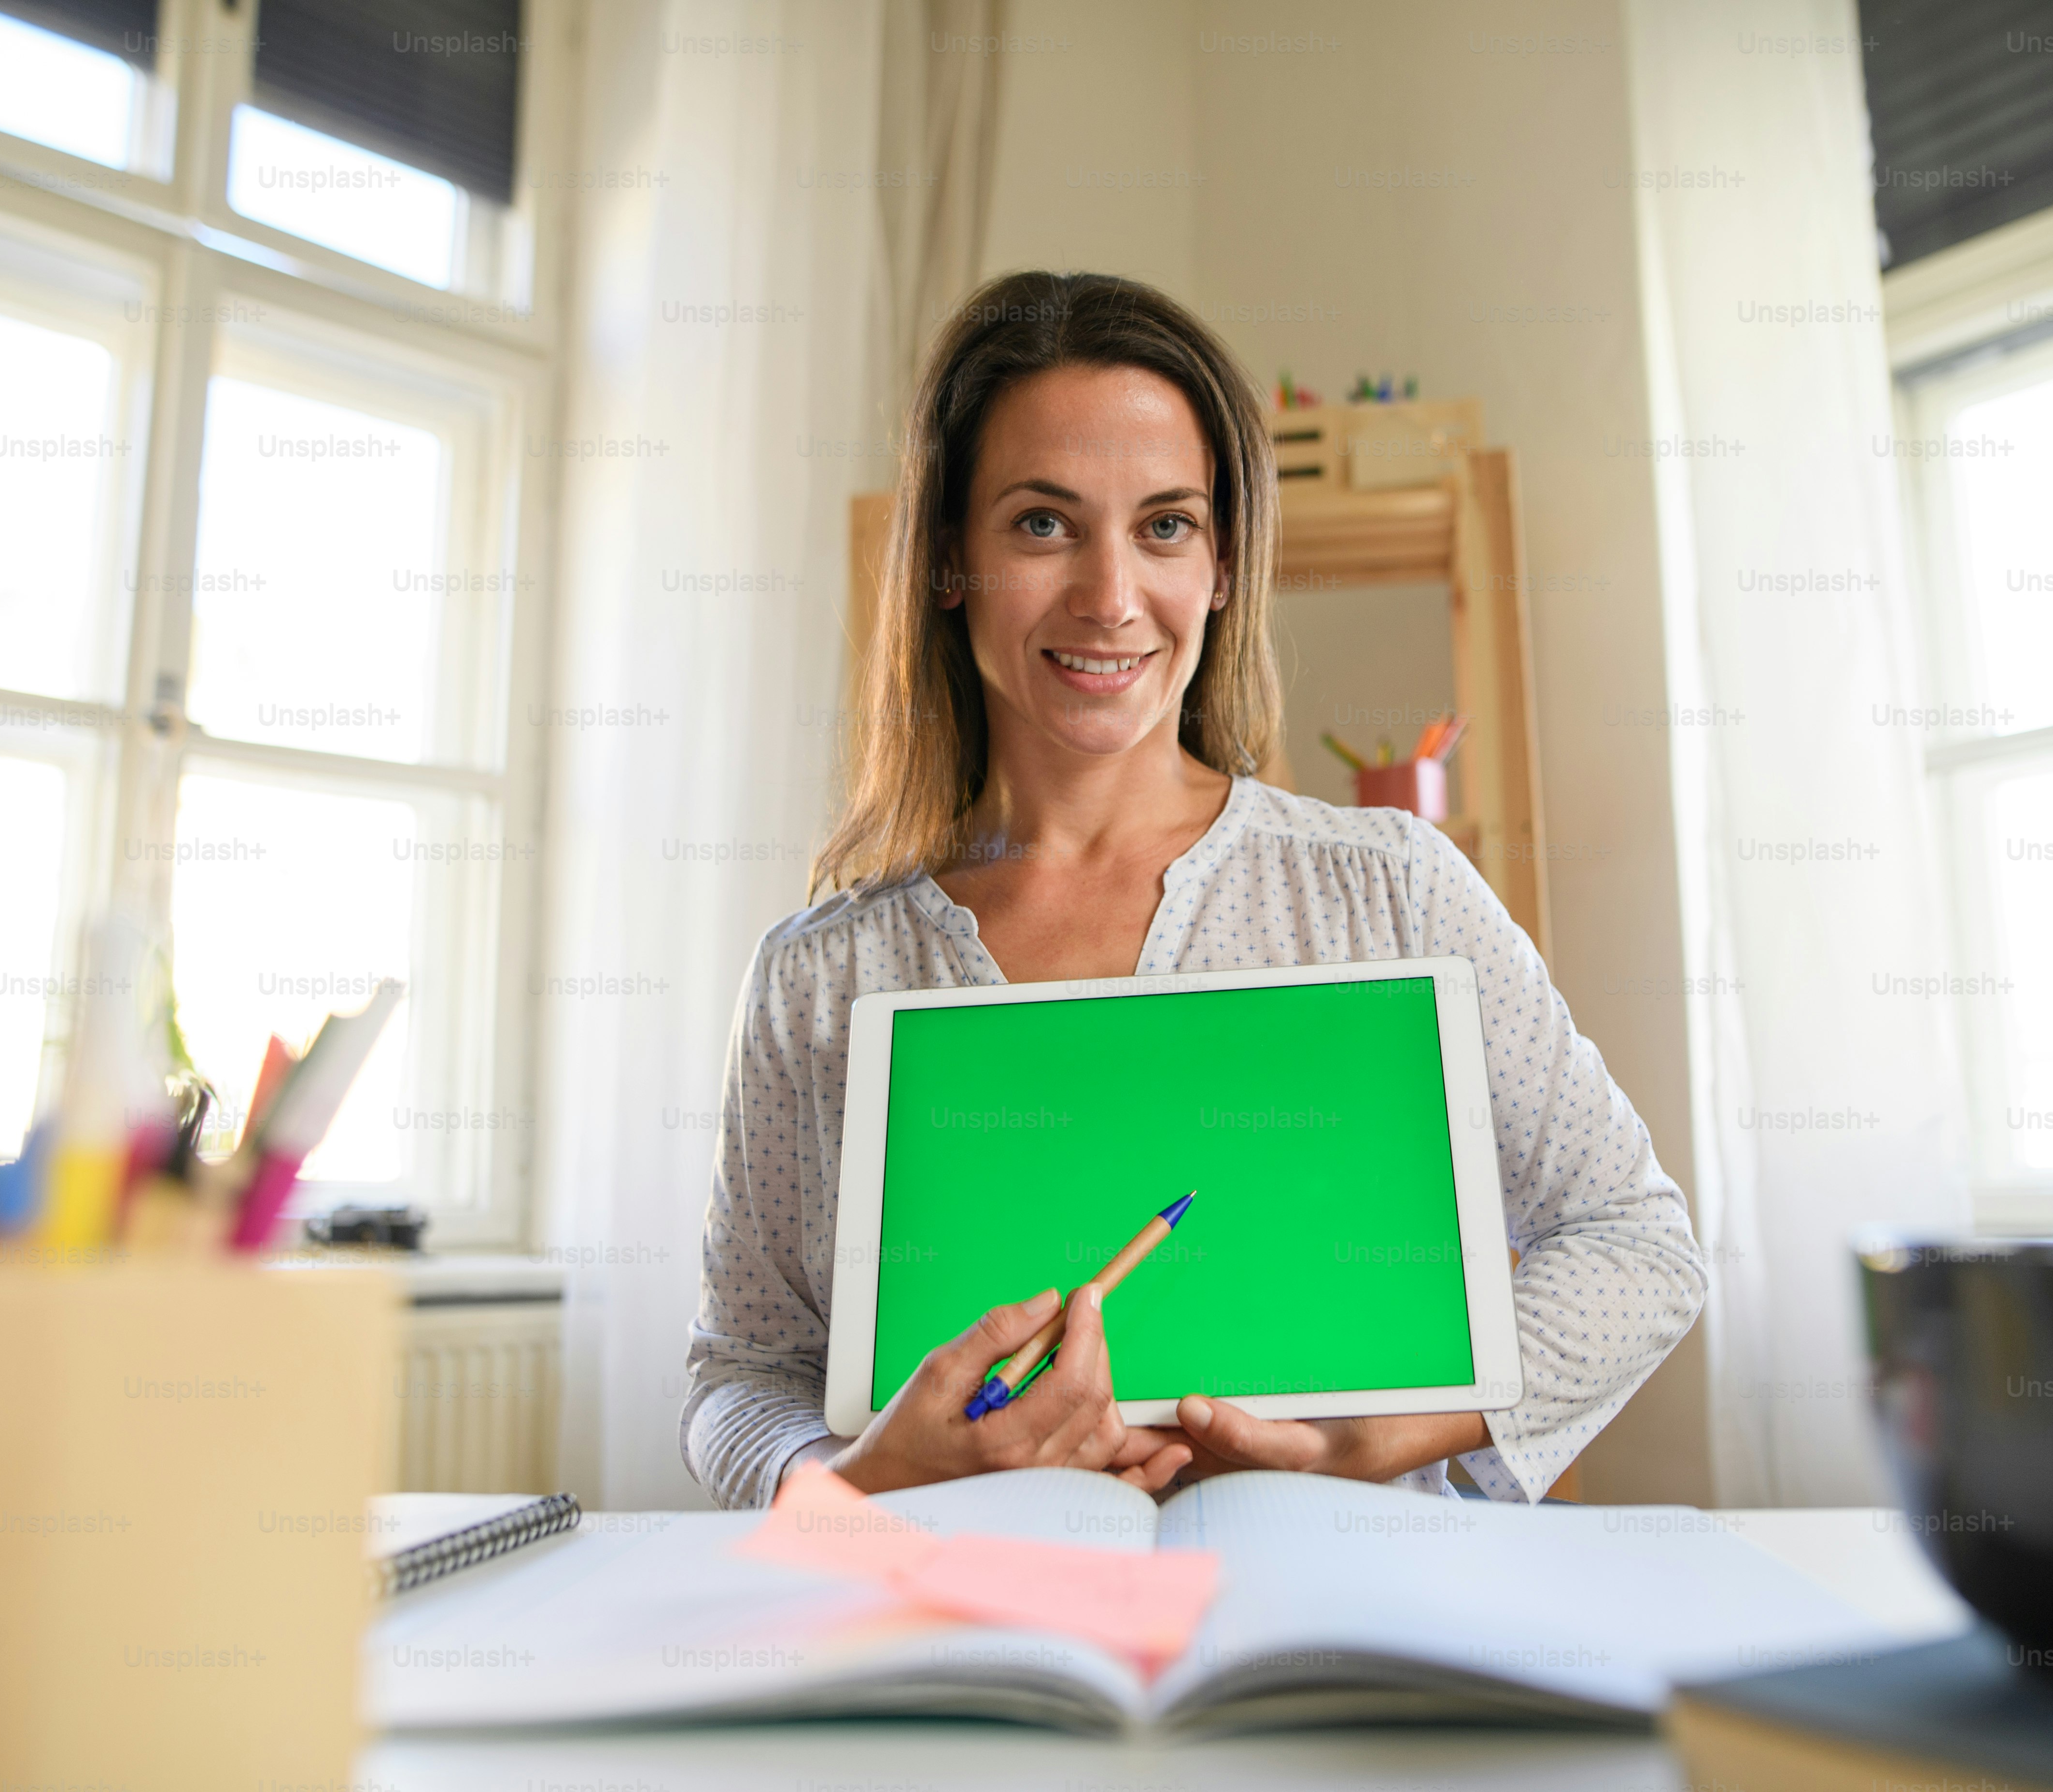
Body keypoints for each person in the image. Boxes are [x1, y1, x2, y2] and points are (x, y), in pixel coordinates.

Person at [682, 270, 1704, 1508]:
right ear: (951, 559)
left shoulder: (1389, 890)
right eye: (1043, 524)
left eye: (1165, 524)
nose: (1111, 598)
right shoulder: (817, 975)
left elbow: (1638, 1244)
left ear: (1224, 564)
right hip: (975, 1627)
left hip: (1331, 1627)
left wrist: (1394, 1433)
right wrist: (846, 1476)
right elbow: (742, 1372)